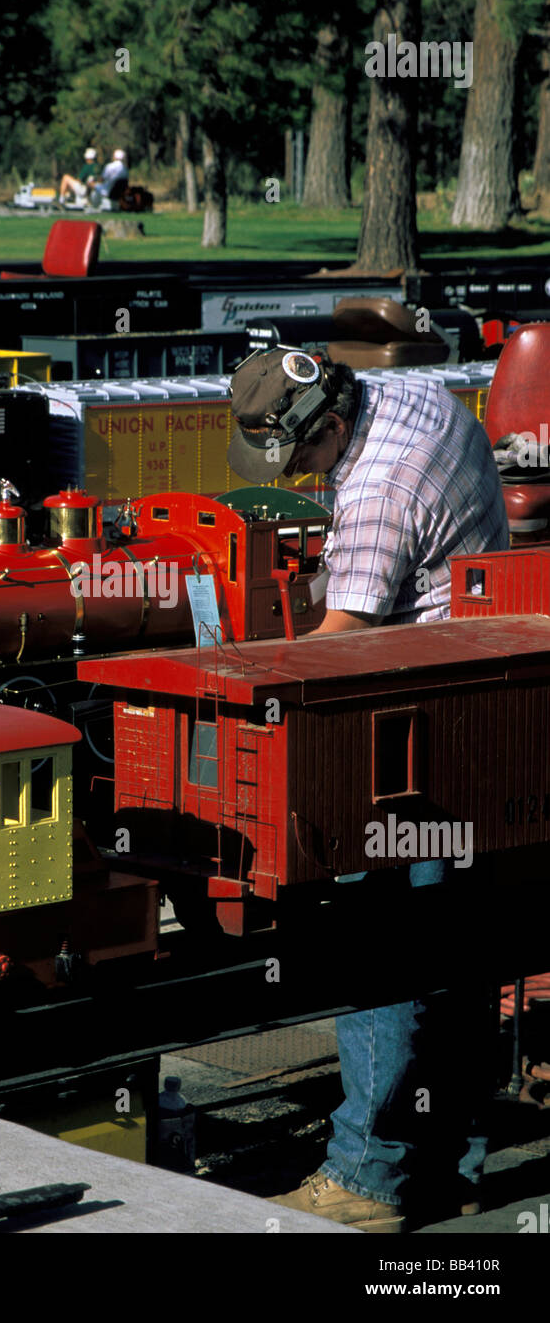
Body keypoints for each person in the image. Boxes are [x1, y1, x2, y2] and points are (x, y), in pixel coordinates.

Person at [227, 345, 509, 1232]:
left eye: (303, 459)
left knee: (376, 950)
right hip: (476, 707)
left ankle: (364, 1183)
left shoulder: (376, 493)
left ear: (334, 425)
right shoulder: (411, 391)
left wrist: (244, 672)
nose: (301, 478)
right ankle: (447, 1161)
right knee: (454, 954)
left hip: (406, 738)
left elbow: (338, 642)